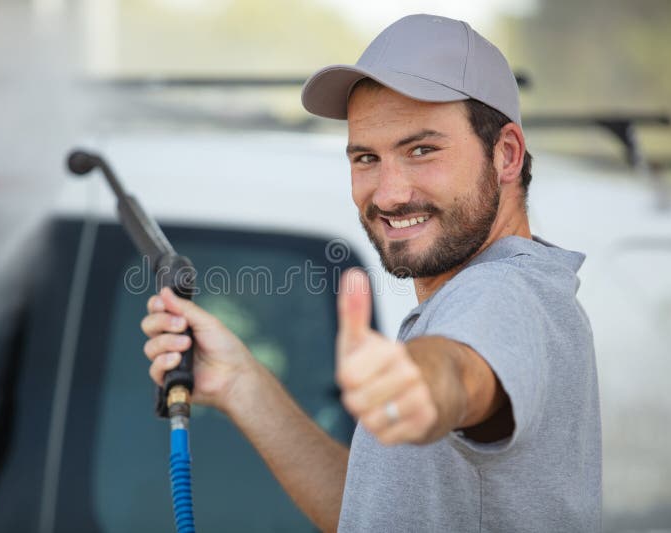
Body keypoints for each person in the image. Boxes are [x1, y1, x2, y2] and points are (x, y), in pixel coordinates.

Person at [141, 14, 601, 532]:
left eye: (421, 150)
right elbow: (370, 513)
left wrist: (424, 383)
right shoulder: (491, 295)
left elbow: (458, 370)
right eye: (366, 157)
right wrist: (239, 384)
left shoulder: (507, 294)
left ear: (507, 155)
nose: (387, 193)